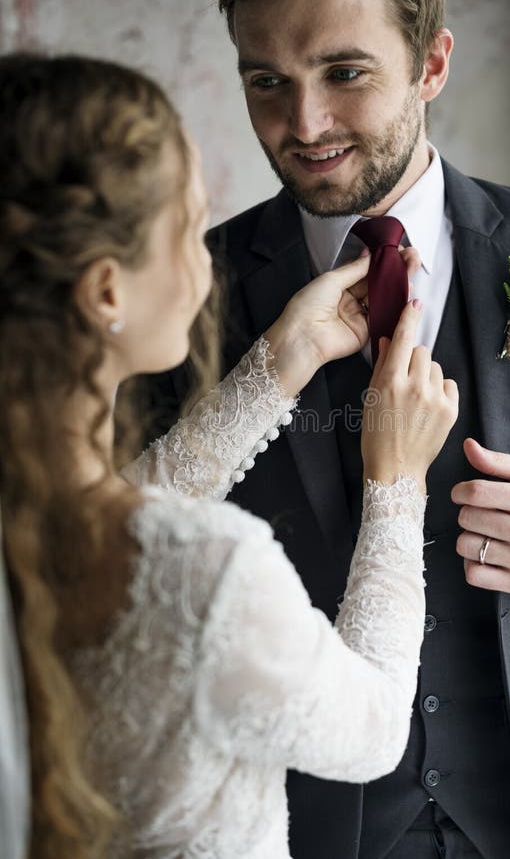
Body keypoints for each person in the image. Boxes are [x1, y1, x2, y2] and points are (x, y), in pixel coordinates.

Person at [201, 0, 510, 857]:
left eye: (345, 72)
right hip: (303, 822)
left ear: (432, 64)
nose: (305, 123)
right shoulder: (195, 283)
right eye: (267, 82)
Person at [0, 53, 459, 859]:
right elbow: (376, 729)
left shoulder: (34, 519)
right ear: (108, 291)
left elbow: (121, 501)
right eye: (186, 224)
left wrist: (279, 362)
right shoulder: (208, 572)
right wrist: (396, 483)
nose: (204, 257)